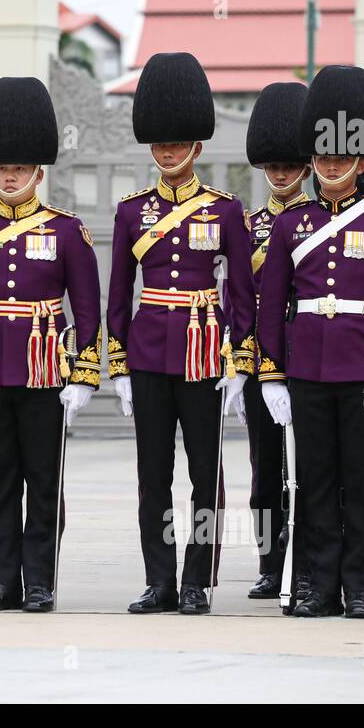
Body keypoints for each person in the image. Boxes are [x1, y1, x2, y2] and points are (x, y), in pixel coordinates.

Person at [257, 65, 364, 620]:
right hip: (307, 370)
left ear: (360, 158)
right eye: (323, 156)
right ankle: (320, 586)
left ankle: (360, 587)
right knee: (316, 482)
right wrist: (272, 373)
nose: (331, 165)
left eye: (342, 155)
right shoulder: (291, 224)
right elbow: (271, 307)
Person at [0, 77, 101, 613]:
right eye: (2, 168)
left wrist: (84, 375)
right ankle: (1, 581)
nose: (9, 176)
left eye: (19, 168)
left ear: (38, 172)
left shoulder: (66, 231)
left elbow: (88, 309)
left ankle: (39, 582)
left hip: (43, 373)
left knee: (43, 481)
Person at [108, 52, 255, 615]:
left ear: (196, 145)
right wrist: (118, 363)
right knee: (153, 476)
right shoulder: (131, 213)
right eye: (161, 143)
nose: (168, 152)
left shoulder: (225, 211)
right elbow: (118, 296)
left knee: (204, 474)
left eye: (177, 143)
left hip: (204, 355)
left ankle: (197, 579)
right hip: (148, 354)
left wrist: (239, 360)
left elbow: (241, 293)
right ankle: (159, 580)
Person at [241, 82, 311, 601]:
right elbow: (237, 301)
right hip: (261, 362)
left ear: (305, 168)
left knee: (309, 467)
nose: (282, 175)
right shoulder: (248, 226)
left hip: (308, 356)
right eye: (274, 167)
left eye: (290, 166)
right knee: (265, 470)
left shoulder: (320, 221)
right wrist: (240, 363)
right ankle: (270, 564)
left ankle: (305, 561)